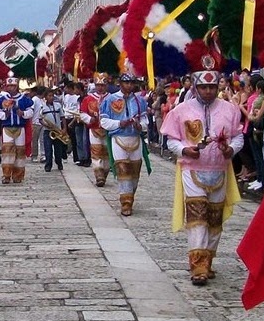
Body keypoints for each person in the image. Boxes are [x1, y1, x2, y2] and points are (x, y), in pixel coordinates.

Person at [161, 52, 243, 286]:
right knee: (197, 217)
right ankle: (198, 265)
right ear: (195, 87)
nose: (208, 91)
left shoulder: (230, 109)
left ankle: (208, 261)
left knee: (214, 219)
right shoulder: (181, 110)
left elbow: (238, 137)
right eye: (204, 87)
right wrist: (185, 150)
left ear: (218, 86)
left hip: (220, 170)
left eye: (212, 87)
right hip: (192, 170)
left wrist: (231, 150)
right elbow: (172, 140)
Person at [100, 73, 150, 216]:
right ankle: (125, 202)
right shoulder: (109, 100)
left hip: (135, 139)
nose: (129, 86)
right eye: (126, 83)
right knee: (122, 169)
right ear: (120, 83)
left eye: (132, 83)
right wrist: (119, 123)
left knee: (135, 172)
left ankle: (130, 196)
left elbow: (145, 120)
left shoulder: (140, 101)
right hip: (118, 138)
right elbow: (104, 121)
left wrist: (140, 126)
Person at [0, 72, 34, 184]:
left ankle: (18, 175)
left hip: (20, 128)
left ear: (17, 86)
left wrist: (22, 113)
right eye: (9, 86)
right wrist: (5, 114)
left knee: (20, 152)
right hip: (7, 128)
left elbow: (31, 111)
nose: (11, 88)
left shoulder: (24, 99)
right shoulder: (2, 100)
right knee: (7, 152)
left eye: (13, 86)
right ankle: (6, 175)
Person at [79, 73, 111, 186]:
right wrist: (89, 119)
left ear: (106, 85)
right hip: (94, 129)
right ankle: (98, 175)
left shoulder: (112, 98)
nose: (100, 88)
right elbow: (82, 113)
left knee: (107, 152)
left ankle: (105, 172)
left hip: (109, 130)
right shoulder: (88, 99)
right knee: (96, 151)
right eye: (98, 85)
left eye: (102, 85)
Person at [39, 88, 67, 172]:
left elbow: (63, 117)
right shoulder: (42, 107)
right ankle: (48, 165)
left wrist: (64, 128)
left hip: (58, 130)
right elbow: (40, 119)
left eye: (52, 96)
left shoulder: (58, 105)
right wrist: (46, 125)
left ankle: (59, 163)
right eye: (49, 96)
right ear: (45, 97)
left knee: (58, 149)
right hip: (48, 131)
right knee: (48, 149)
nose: (51, 97)